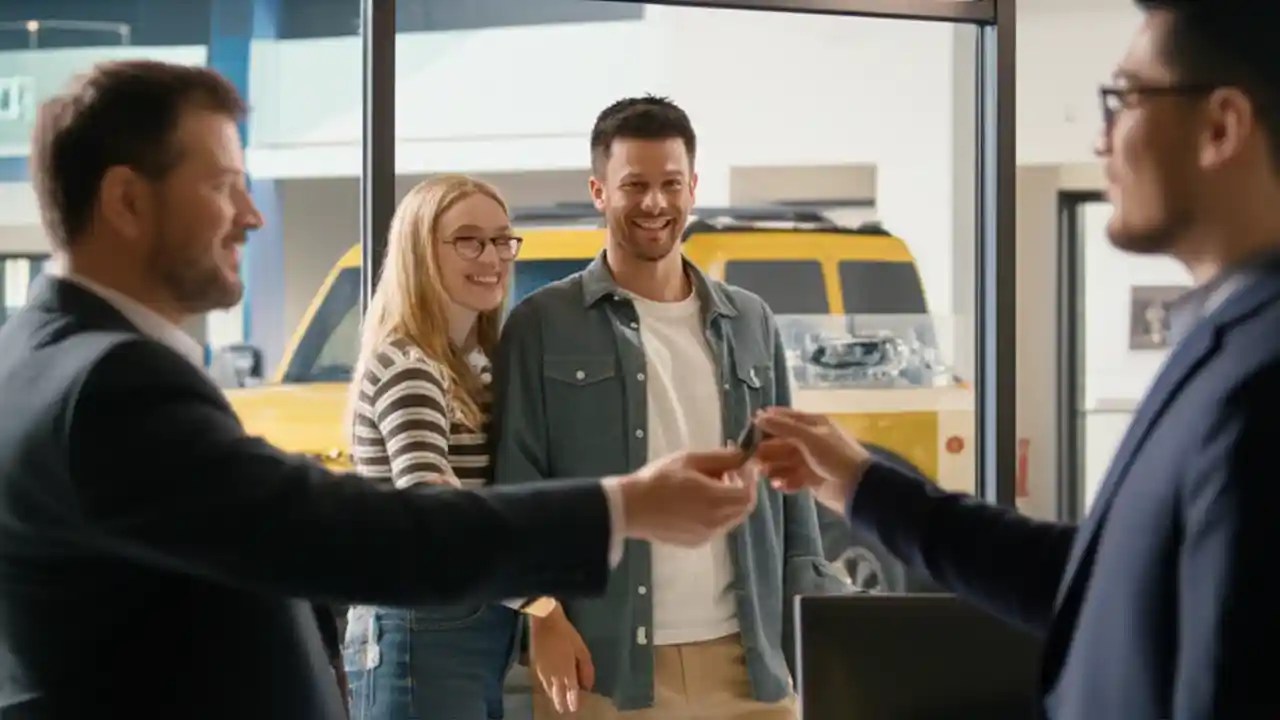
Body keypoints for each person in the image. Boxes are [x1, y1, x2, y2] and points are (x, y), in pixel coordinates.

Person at [0, 60, 761, 719]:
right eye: (224, 186)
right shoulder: (111, 384)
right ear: (128, 201)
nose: (251, 215)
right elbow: (350, 527)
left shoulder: (44, 355)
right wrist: (626, 505)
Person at [750, 3, 1280, 717]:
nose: (1101, 138)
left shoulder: (1261, 380)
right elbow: (1094, 582)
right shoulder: (1226, 340)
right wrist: (862, 485)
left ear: (1221, 126)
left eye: (1124, 100)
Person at [491, 95, 846, 720]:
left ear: (693, 188)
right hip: (603, 665)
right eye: (634, 185)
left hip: (750, 664)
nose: (655, 203)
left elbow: (789, 493)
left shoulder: (752, 320)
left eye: (670, 184)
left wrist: (808, 626)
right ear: (599, 191)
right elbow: (517, 486)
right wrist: (541, 613)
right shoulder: (541, 324)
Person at [341, 175, 546, 719]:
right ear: (419, 252)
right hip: (422, 628)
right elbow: (434, 513)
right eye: (468, 240)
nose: (493, 257)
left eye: (502, 240)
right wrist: (543, 604)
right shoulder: (411, 367)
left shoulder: (472, 362)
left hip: (465, 626)